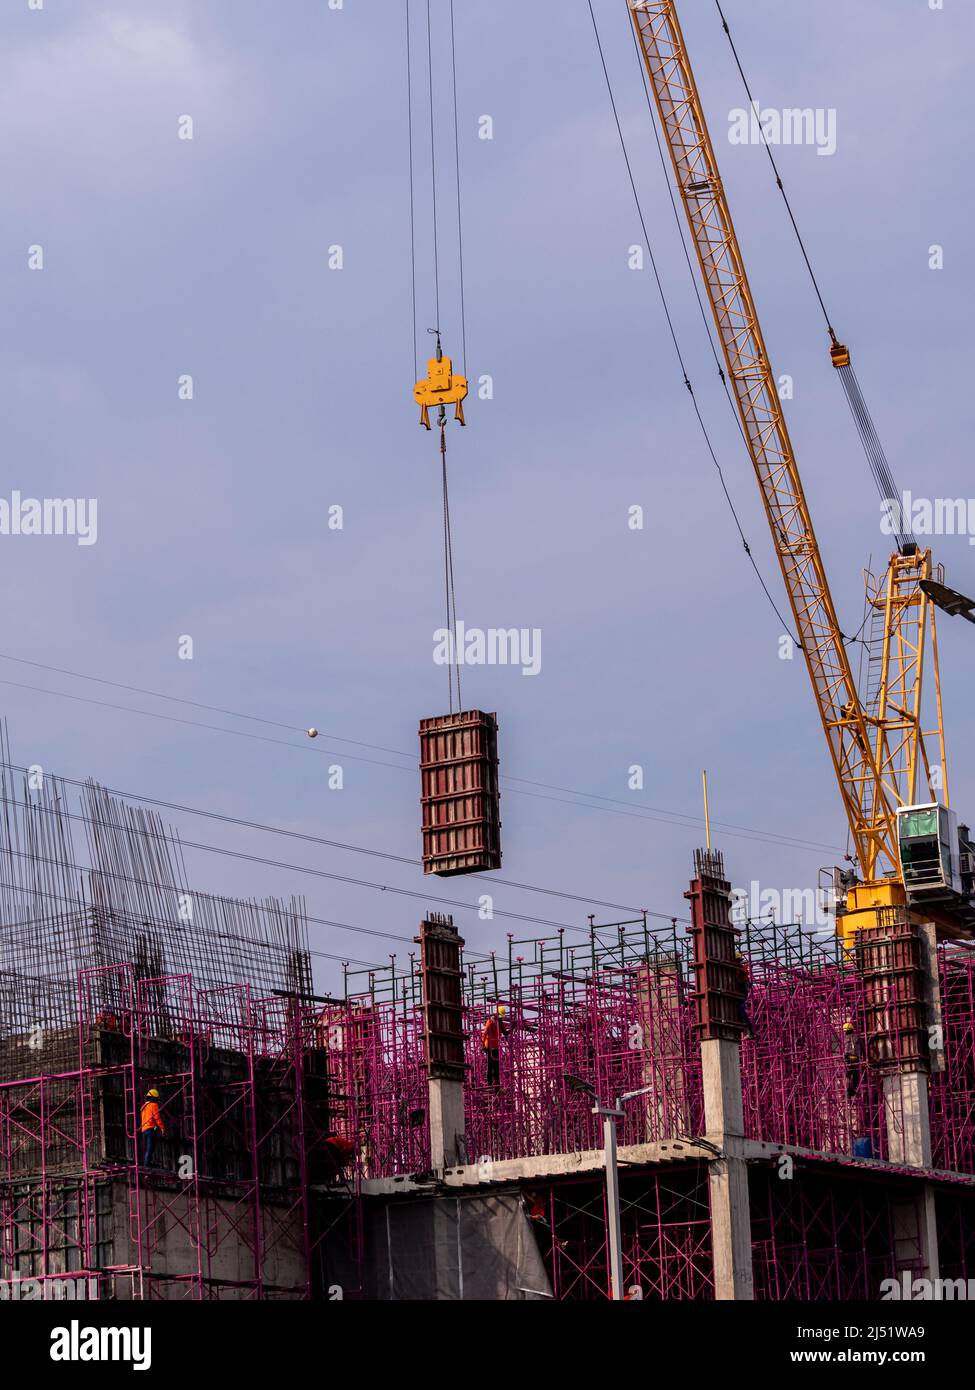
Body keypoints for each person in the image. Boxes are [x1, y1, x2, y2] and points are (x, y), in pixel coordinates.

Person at [482, 1006, 508, 1086]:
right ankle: (489, 1081)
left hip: (496, 1046)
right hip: (489, 1045)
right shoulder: (490, 1022)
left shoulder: (500, 1023)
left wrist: (510, 1030)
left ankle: (497, 1081)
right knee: (490, 1064)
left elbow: (504, 1032)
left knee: (496, 1064)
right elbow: (485, 1033)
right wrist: (482, 1045)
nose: (501, 1018)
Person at [140, 1088, 166, 1168]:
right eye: (156, 1099)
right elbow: (156, 1117)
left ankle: (147, 1163)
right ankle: (147, 1165)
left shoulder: (143, 1107)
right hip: (151, 1130)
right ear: (153, 1098)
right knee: (150, 1148)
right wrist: (162, 1128)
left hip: (144, 1130)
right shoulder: (153, 1105)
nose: (157, 1101)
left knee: (148, 1149)